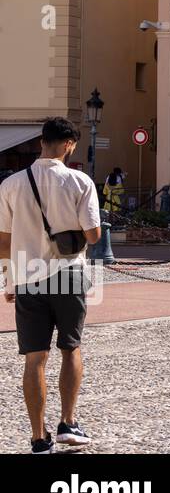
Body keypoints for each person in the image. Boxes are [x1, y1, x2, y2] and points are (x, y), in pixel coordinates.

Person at [0, 117, 101, 453]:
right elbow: (93, 235)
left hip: (27, 277)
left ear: (41, 141)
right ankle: (68, 423)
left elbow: (3, 242)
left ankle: (37, 437)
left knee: (34, 358)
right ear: (69, 145)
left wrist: (9, 280)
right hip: (68, 274)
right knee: (70, 347)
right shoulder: (79, 181)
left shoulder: (11, 185)